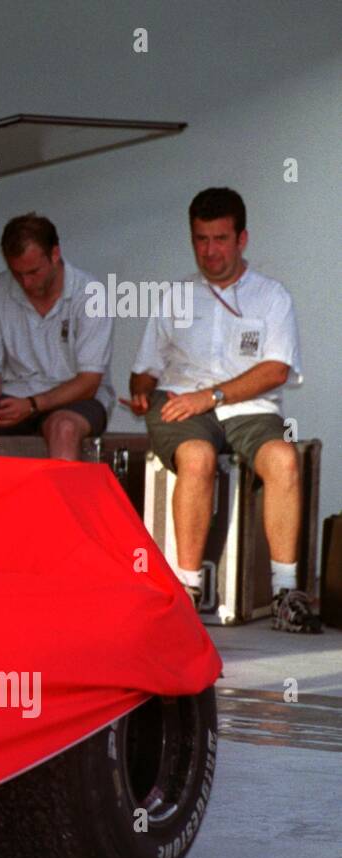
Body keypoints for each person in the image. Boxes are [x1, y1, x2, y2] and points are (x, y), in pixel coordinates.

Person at [125, 187, 320, 632]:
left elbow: (275, 370)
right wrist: (140, 392)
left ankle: (286, 595)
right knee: (197, 458)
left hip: (248, 408)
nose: (210, 251)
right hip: (180, 406)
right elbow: (144, 372)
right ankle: (187, 592)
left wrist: (211, 396)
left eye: (220, 239)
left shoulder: (272, 296)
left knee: (285, 459)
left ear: (242, 239)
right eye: (200, 240)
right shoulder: (173, 297)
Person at [0, 214, 114, 460]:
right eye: (17, 273)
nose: (26, 282)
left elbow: (89, 382)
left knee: (64, 429)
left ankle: (55, 500)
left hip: (75, 401)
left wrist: (33, 404)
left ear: (55, 254)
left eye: (33, 272)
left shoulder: (92, 294)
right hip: (12, 402)